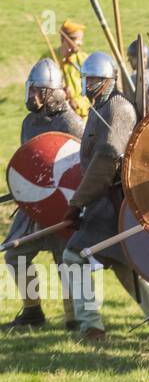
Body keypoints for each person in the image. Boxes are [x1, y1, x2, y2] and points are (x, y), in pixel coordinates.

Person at [60, 52, 149, 341]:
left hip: (113, 202)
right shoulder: (98, 109)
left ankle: (91, 326)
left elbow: (106, 161)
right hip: (102, 204)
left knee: (74, 256)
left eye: (94, 79)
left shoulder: (118, 109)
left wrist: (77, 202)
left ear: (108, 80)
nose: (89, 84)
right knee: (122, 264)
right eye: (87, 78)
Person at [3, 58, 85, 330]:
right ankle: (32, 311)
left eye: (35, 91)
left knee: (66, 260)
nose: (31, 96)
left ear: (48, 92)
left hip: (64, 204)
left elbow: (80, 164)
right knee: (15, 254)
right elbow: (29, 163)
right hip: (35, 204)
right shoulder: (29, 122)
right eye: (30, 90)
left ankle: (75, 317)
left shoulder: (71, 122)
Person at [58, 19, 90, 118]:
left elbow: (90, 91)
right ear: (65, 39)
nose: (80, 43)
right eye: (77, 39)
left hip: (82, 117)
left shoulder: (84, 59)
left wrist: (77, 104)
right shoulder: (50, 59)